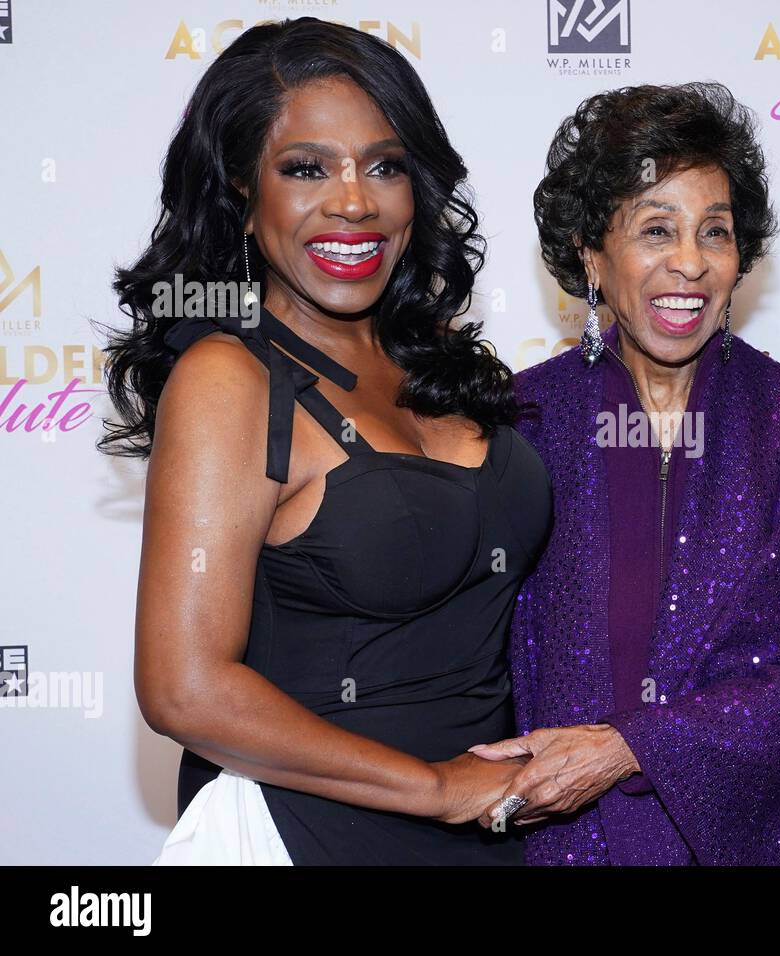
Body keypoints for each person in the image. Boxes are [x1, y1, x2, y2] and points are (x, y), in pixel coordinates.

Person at [99, 17, 549, 864]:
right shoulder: (230, 377)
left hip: (493, 840)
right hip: (310, 837)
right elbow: (184, 690)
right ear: (240, 192)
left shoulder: (442, 361)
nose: (353, 201)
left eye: (384, 165)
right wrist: (440, 789)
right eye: (306, 168)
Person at [468, 82, 780, 865]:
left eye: (716, 232)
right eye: (656, 229)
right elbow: (480, 648)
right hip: (568, 840)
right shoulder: (520, 421)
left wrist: (631, 746)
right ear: (590, 253)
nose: (691, 264)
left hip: (752, 841)